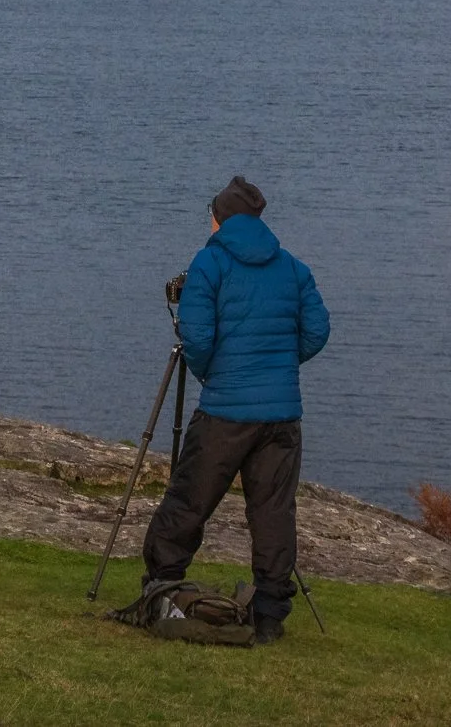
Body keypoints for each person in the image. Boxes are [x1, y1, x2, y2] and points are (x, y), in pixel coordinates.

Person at [139, 175, 330, 643]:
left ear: (219, 218)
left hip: (225, 411)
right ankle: (270, 617)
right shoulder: (293, 267)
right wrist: (279, 366)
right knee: (273, 514)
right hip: (281, 417)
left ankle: (162, 589)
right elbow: (317, 330)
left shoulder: (210, 263)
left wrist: (214, 373)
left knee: (189, 501)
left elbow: (197, 336)